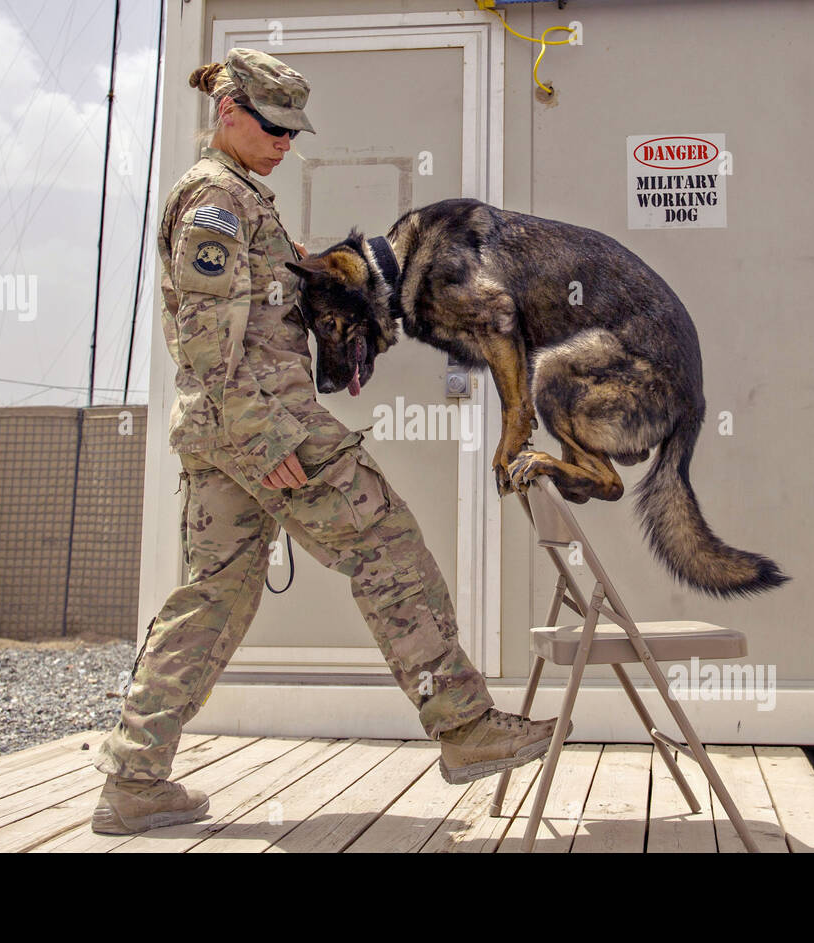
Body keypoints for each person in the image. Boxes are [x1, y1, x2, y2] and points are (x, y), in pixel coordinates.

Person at [90, 48, 565, 836]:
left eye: (292, 130)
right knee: (386, 541)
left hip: (226, 435)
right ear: (229, 111)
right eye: (272, 126)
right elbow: (206, 341)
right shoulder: (215, 202)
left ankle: (134, 778)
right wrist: (266, 435)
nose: (284, 142)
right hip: (264, 428)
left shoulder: (242, 198)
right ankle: (465, 725)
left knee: (214, 597)